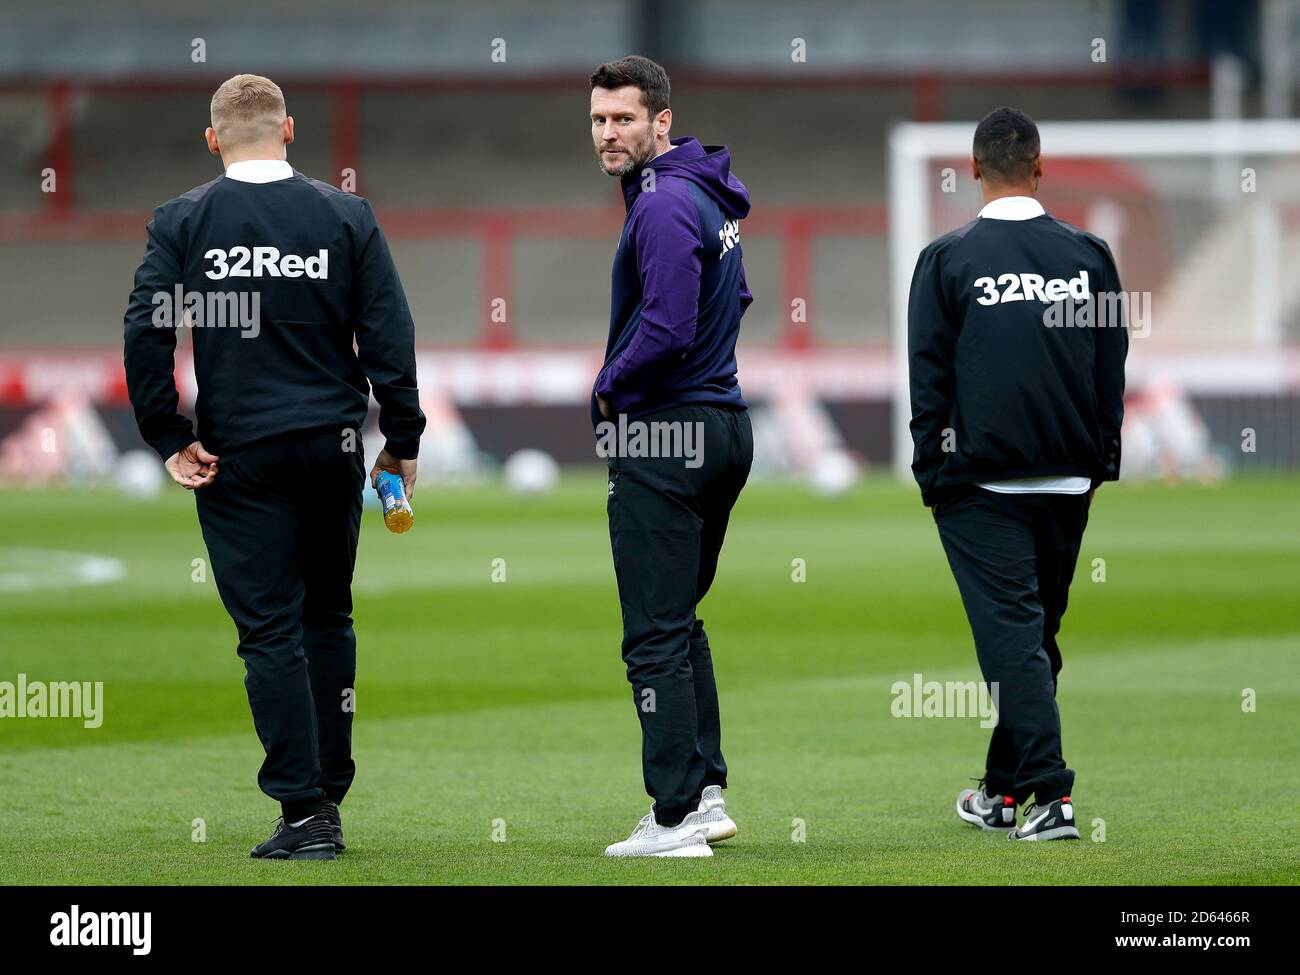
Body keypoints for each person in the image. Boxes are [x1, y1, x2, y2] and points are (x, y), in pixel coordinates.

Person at [122, 73, 425, 860]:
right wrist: (403, 438)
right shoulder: (345, 215)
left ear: (213, 139)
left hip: (238, 453)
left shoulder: (183, 219)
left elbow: (146, 326)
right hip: (330, 446)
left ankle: (303, 809)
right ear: (288, 131)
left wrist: (165, 431)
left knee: (268, 630)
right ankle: (327, 789)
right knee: (328, 615)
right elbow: (389, 330)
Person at [907, 107, 1127, 841]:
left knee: (1011, 640)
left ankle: (1051, 794)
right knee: (1031, 641)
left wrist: (931, 470)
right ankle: (1002, 793)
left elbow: (928, 375)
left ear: (973, 170)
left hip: (982, 481)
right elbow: (1109, 364)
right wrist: (1101, 459)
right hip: (1067, 476)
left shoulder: (947, 259)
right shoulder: (1090, 254)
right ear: (1041, 165)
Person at [588, 55, 754, 858]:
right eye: (597, 119)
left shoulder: (660, 203)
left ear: (661, 121)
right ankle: (705, 789)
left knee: (652, 633)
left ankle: (673, 815)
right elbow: (735, 300)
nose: (607, 133)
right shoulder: (705, 193)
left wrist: (608, 387)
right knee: (681, 621)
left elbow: (668, 326)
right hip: (723, 424)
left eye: (623, 119)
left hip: (666, 432)